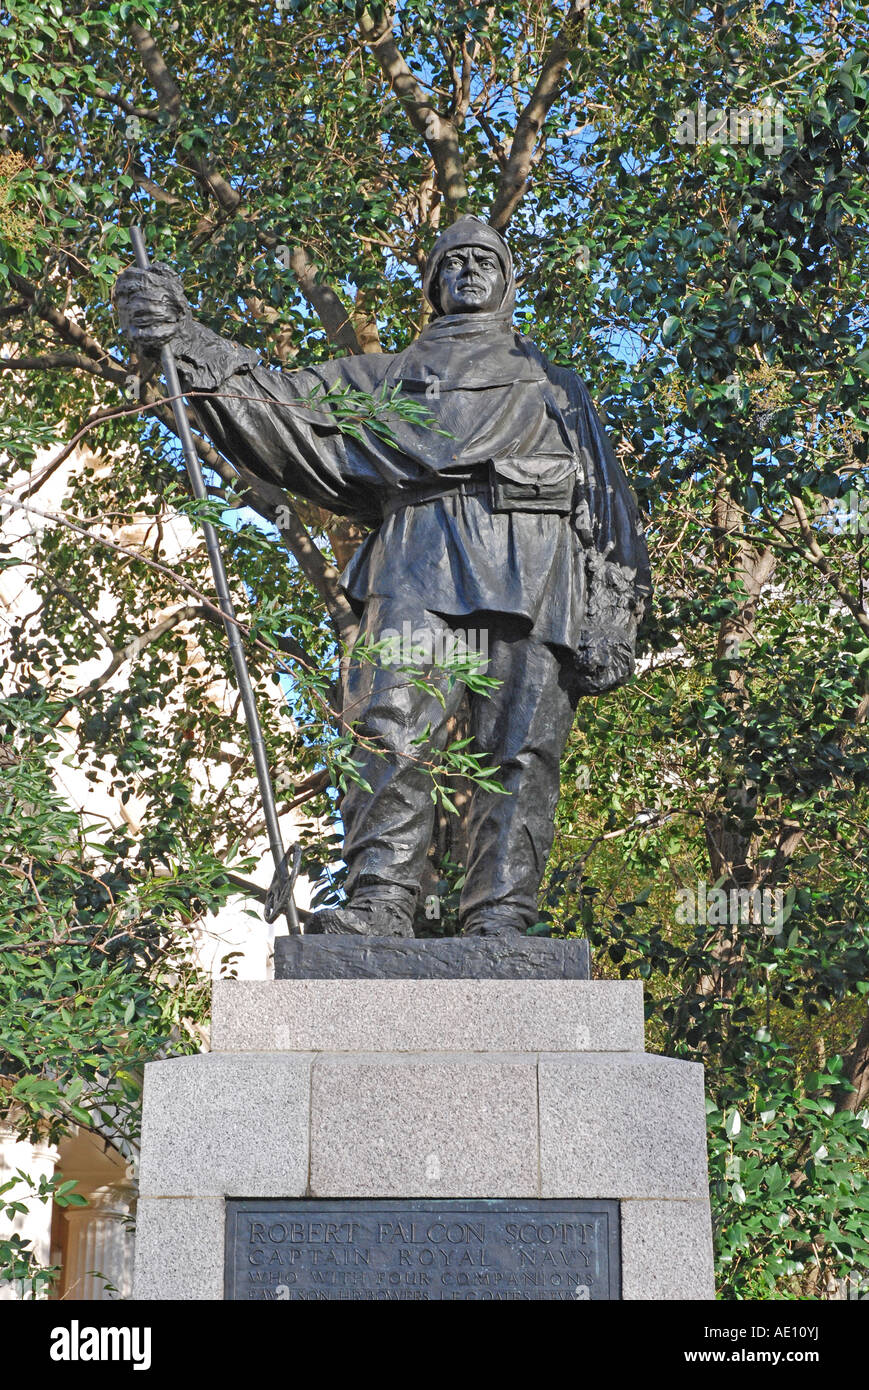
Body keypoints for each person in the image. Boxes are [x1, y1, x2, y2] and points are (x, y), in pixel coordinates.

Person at [115, 215, 651, 938]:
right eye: (451, 261)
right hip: (417, 559)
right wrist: (180, 337)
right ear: (431, 283)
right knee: (391, 731)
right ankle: (379, 902)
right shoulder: (382, 380)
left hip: (536, 570)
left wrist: (611, 615)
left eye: (482, 260)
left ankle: (502, 917)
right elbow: (275, 405)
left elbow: (606, 503)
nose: (467, 271)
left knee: (521, 750)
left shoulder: (556, 388)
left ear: (507, 280)